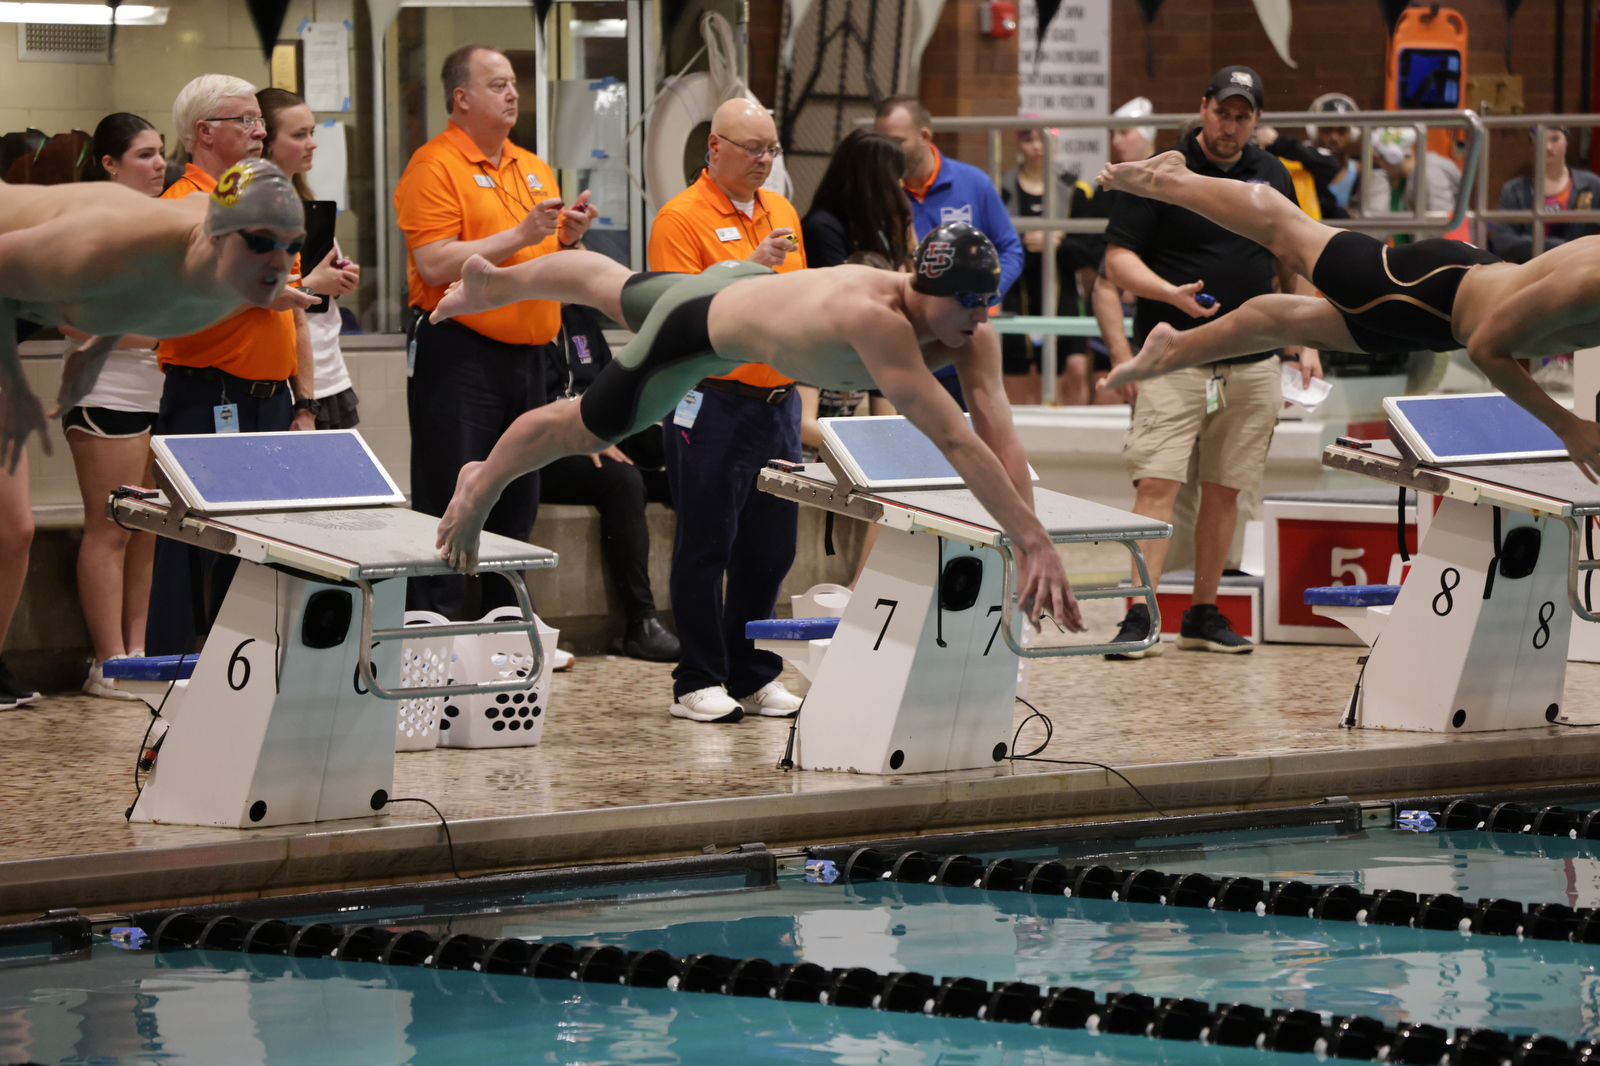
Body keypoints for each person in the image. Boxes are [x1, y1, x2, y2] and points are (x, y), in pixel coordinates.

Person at [425, 224, 1079, 659]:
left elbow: (998, 432)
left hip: (741, 284)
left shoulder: (967, 331)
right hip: (703, 330)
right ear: (928, 291)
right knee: (588, 424)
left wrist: (1023, 544)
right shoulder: (876, 321)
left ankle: (499, 284)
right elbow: (957, 442)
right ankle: (480, 481)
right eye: (972, 304)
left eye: (988, 303)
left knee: (611, 285)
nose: (983, 318)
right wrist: (1032, 540)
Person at [1094, 152, 1600, 474]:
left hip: (1435, 313)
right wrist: (1566, 425)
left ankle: (1172, 351)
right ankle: (1174, 180)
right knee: (1286, 231)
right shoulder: (1590, 283)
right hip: (1423, 293)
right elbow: (1488, 348)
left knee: (1284, 320)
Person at [1098, 66, 1321, 661]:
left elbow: (1293, 255)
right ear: (1203, 108)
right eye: (1222, 111)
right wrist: (1167, 293)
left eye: (1242, 115)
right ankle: (1140, 614)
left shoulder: (1271, 174)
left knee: (1227, 489)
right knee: (1157, 482)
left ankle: (1202, 612)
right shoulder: (1164, 170)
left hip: (1250, 359)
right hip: (1173, 355)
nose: (1230, 125)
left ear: (1256, 121)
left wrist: (1307, 339)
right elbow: (1117, 261)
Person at [394, 43, 597, 620]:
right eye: (498, 84)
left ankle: (507, 625)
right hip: (460, 354)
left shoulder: (532, 165)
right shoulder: (433, 166)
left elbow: (537, 251)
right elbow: (434, 263)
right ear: (461, 98)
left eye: (514, 84)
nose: (513, 94)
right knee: (451, 494)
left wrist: (564, 238)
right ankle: (436, 625)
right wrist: (520, 233)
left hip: (530, 358)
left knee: (516, 494)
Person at [647, 97, 808, 725]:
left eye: (771, 149)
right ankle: (698, 679)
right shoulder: (680, 218)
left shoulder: (782, 210)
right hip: (710, 402)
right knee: (706, 542)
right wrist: (748, 266)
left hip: (776, 404)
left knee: (770, 550)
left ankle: (753, 672)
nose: (764, 161)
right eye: (752, 149)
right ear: (714, 148)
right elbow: (680, 313)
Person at [145, 75, 319, 656]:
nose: (260, 131)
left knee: (262, 540)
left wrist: (305, 403)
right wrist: (264, 290)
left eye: (259, 121)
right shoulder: (182, 203)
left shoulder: (259, 196)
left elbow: (294, 314)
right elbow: (192, 289)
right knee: (186, 540)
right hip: (207, 395)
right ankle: (171, 664)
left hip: (272, 398)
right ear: (204, 132)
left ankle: (243, 662)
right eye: (246, 120)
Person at [67, 113, 166, 698]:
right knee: (110, 530)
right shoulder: (89, 225)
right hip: (105, 396)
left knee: (148, 531)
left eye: (160, 153)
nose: (158, 164)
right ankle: (105, 660)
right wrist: (167, 335)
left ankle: (137, 653)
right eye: (145, 155)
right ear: (109, 163)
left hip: (158, 394)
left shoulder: (162, 223)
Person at [538, 303, 680, 662]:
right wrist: (576, 434)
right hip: (543, 453)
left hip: (597, 437)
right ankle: (641, 622)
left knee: (684, 475)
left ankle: (705, 612)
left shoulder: (580, 319)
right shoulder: (520, 323)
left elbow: (610, 385)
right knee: (623, 480)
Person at [875, 95, 1024, 408]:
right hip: (906, 341)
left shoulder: (973, 184)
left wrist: (984, 296)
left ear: (925, 137)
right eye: (881, 141)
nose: (886, 150)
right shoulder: (880, 192)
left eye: (896, 141)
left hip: (962, 342)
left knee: (968, 438)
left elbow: (1010, 249)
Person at [259, 88, 363, 430]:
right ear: (267, 142)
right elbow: (250, 299)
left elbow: (319, 279)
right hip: (289, 382)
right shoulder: (255, 209)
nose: (312, 143)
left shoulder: (309, 203)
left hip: (328, 370)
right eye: (299, 135)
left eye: (312, 133)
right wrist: (314, 285)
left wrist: (340, 279)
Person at [1000, 124, 1082, 405]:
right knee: (1015, 363)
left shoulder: (1074, 189)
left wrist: (1058, 244)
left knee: (1063, 365)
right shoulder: (1003, 189)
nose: (1037, 146)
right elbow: (995, 244)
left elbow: (1089, 250)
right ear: (1018, 144)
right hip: (1018, 291)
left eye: (1043, 139)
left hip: (1060, 290)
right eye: (1028, 139)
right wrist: (1024, 244)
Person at [799, 129, 915, 269]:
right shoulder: (822, 228)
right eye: (895, 177)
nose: (901, 184)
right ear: (872, 181)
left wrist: (907, 241)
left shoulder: (874, 223)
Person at [1491, 125, 1600, 264]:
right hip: (1529, 272)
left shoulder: (1591, 185)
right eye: (1541, 140)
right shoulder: (1514, 189)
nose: (1548, 147)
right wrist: (1563, 247)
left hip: (1578, 272)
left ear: (1566, 141)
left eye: (1555, 139)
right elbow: (1502, 241)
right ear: (1533, 144)